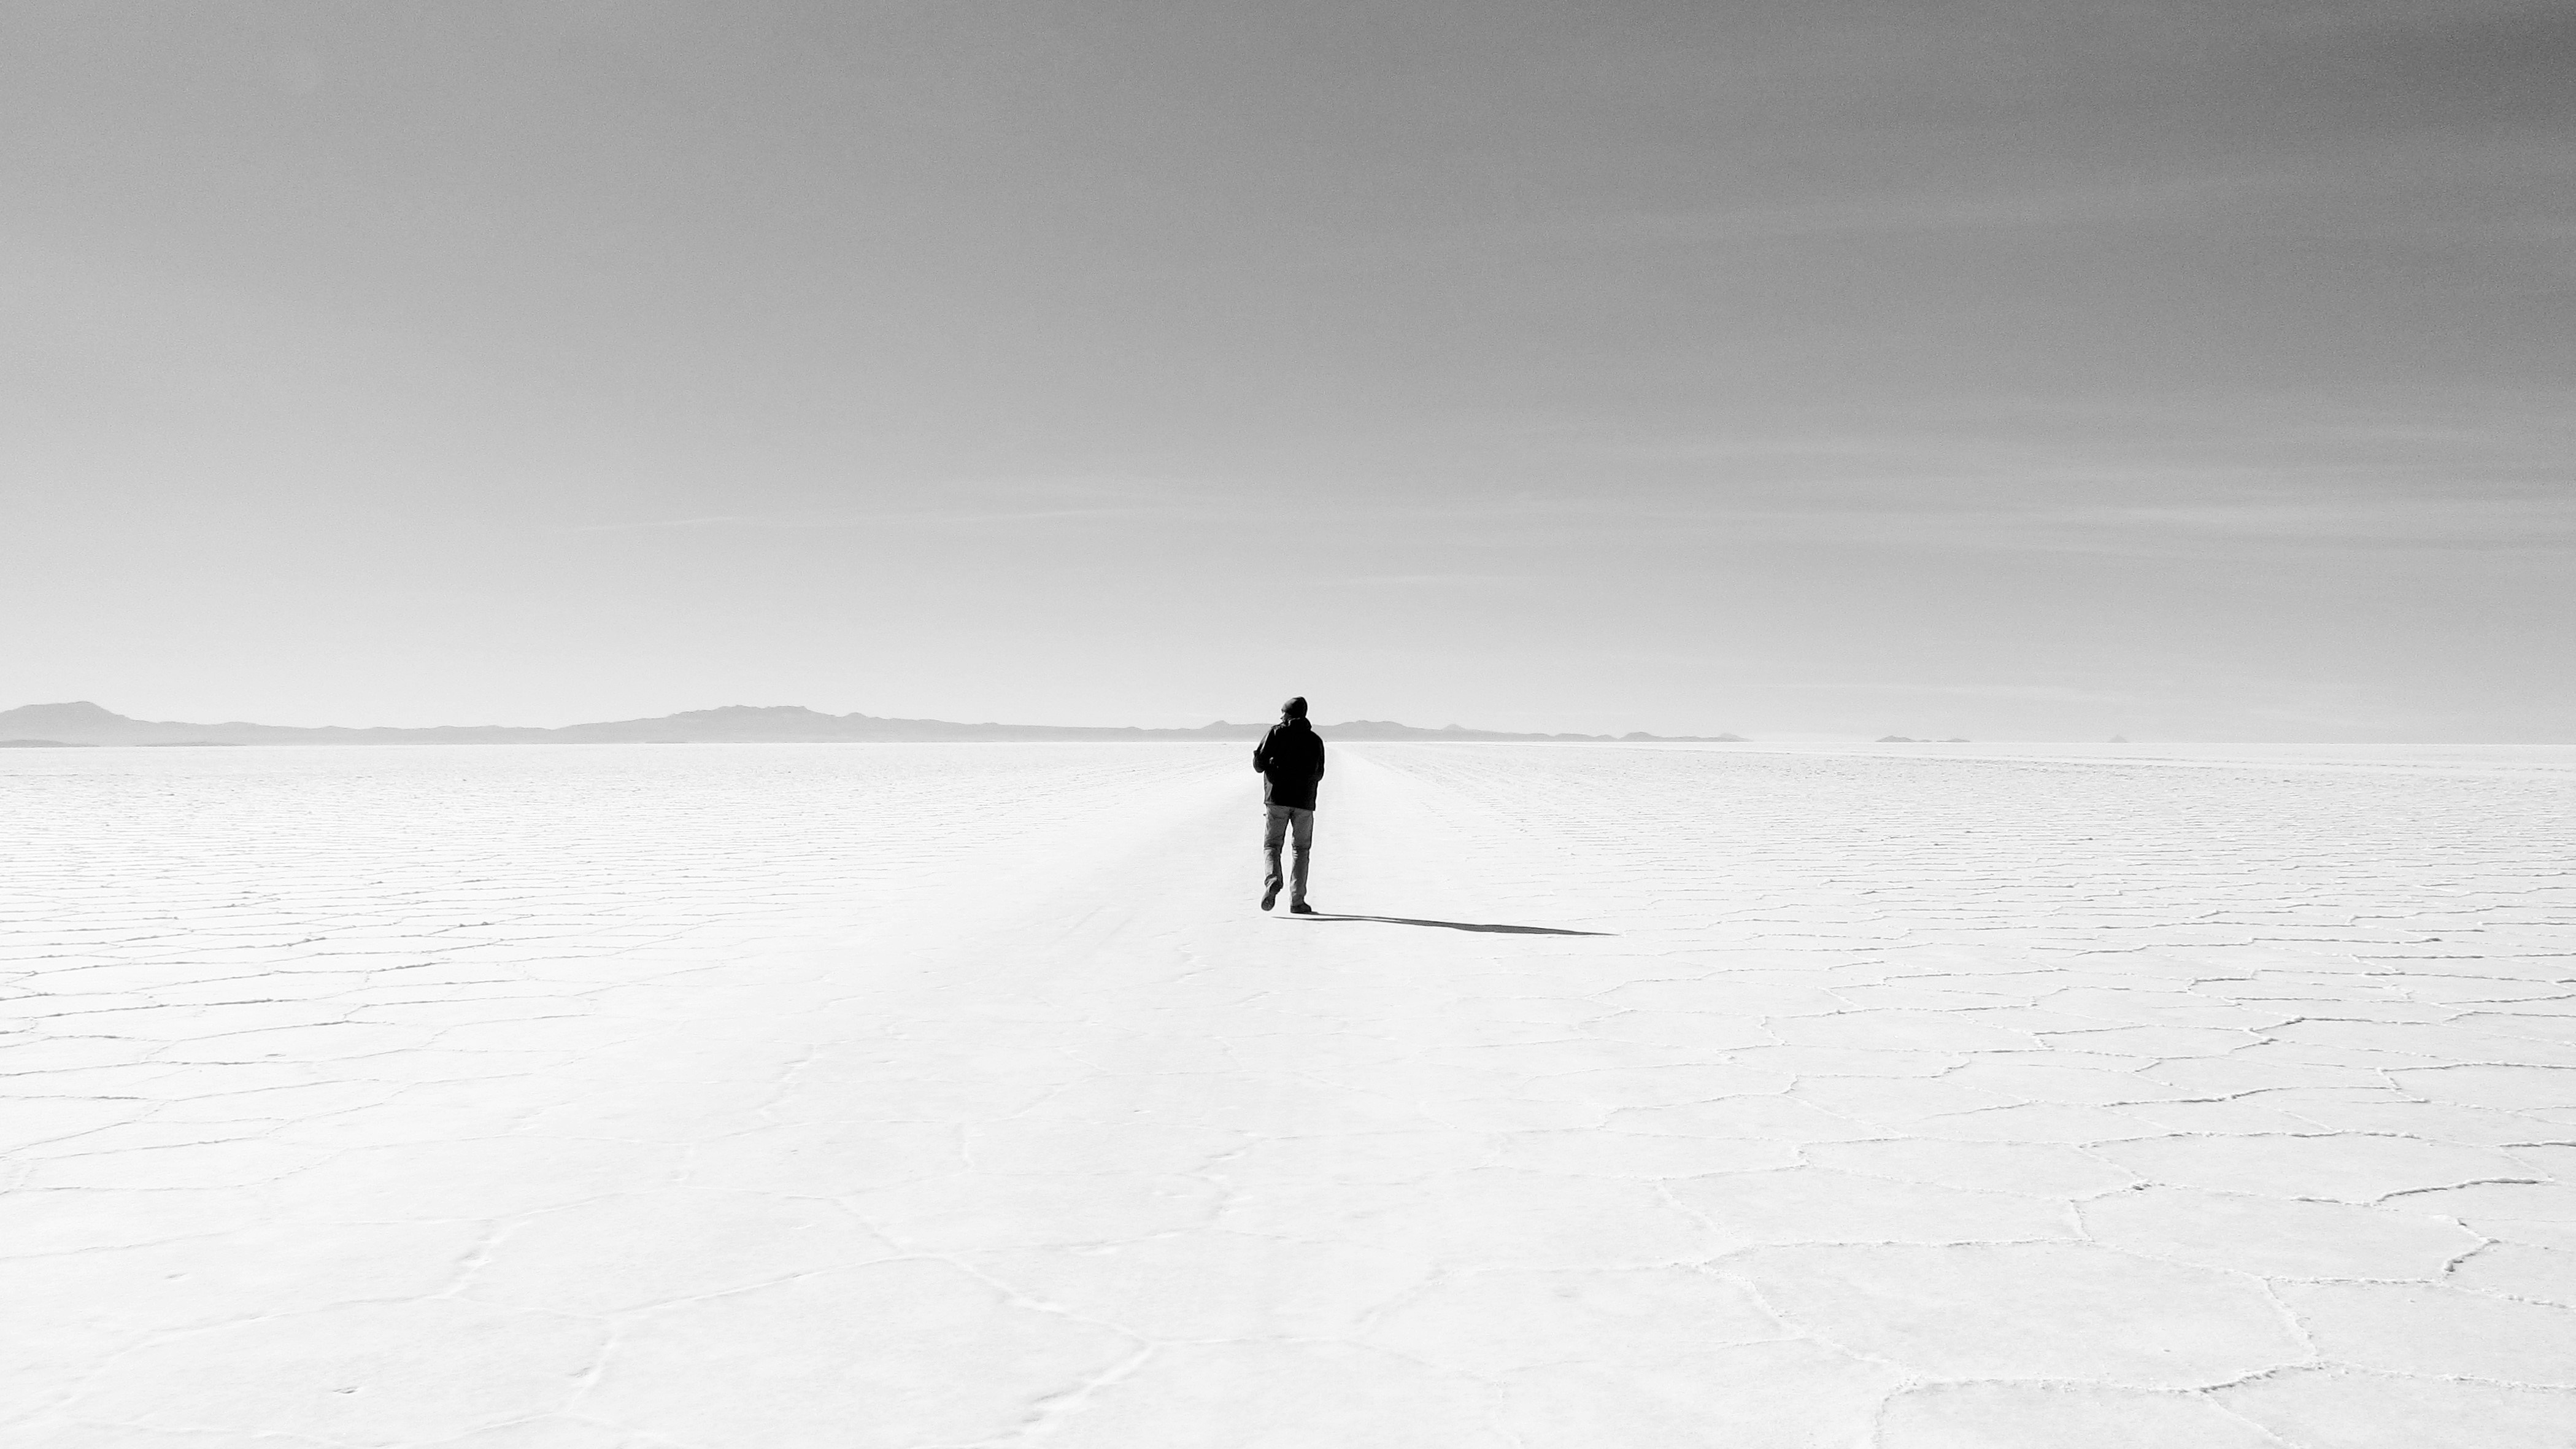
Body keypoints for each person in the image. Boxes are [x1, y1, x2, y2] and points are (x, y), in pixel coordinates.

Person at [1253, 697, 1325, 913]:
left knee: (1272, 846)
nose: (1281, 716)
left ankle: (1273, 879)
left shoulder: (1276, 733)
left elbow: (1259, 764)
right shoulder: (1315, 740)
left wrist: (1271, 765)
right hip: (1304, 803)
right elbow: (1319, 773)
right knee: (1301, 851)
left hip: (1277, 800)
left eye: (1283, 712)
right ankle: (1297, 901)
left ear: (1289, 714)